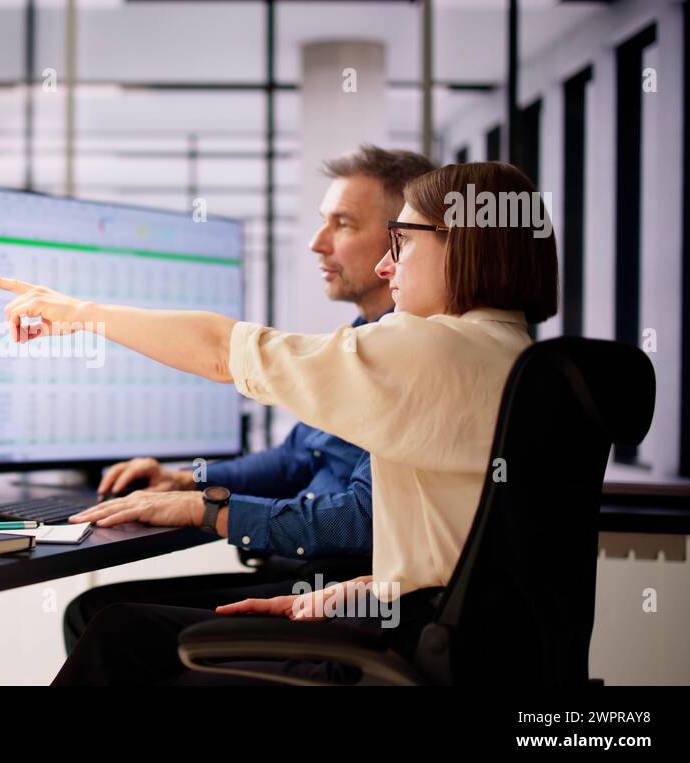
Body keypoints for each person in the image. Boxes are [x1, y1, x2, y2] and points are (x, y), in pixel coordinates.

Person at [0, 161, 558, 685]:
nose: (388, 264)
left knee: (118, 640)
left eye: (402, 242)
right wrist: (343, 597)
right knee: (119, 630)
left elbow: (221, 350)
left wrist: (79, 313)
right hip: (441, 640)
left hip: (404, 653)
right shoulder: (514, 354)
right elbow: (461, 559)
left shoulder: (436, 350)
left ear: (464, 246)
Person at [59, 147, 436, 653]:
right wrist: (187, 481)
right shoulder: (364, 337)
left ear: (401, 242)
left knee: (108, 625)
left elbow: (362, 520)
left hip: (352, 588)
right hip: (325, 575)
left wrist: (207, 508)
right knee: (99, 613)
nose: (316, 243)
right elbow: (300, 456)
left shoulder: (411, 357)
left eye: (342, 224)